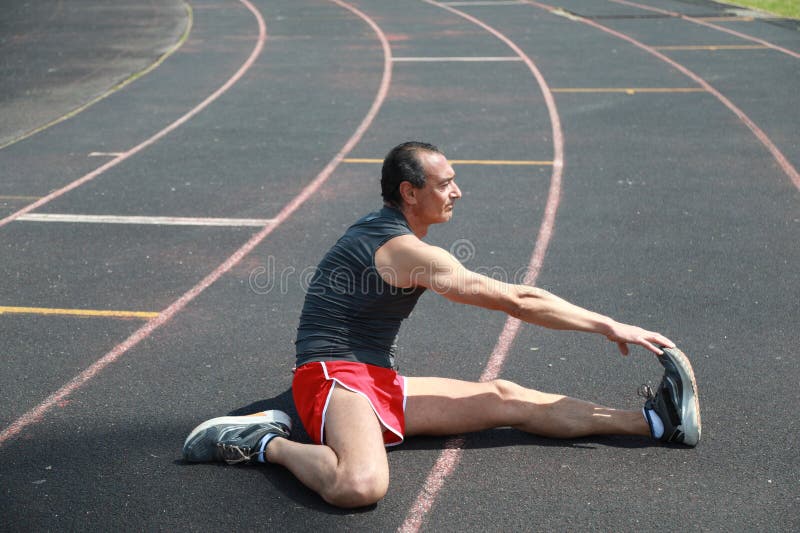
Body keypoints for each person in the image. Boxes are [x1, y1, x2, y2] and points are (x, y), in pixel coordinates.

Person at [182, 141, 701, 508]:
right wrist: (609, 325)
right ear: (410, 192)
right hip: (332, 375)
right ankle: (263, 443)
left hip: (372, 375)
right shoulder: (403, 249)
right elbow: (516, 300)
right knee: (359, 488)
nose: (458, 192)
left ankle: (655, 422)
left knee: (505, 396)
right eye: (445, 183)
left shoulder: (394, 231)